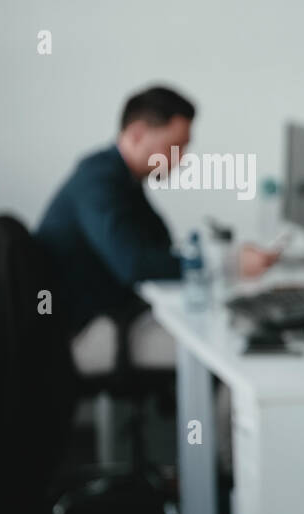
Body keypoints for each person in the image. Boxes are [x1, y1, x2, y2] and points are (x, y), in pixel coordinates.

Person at [36, 85, 278, 338]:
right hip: (85, 329)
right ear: (137, 134)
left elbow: (159, 241)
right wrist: (227, 263)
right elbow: (134, 265)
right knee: (225, 338)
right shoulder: (98, 181)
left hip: (111, 314)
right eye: (174, 147)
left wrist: (220, 255)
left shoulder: (120, 177)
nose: (180, 159)